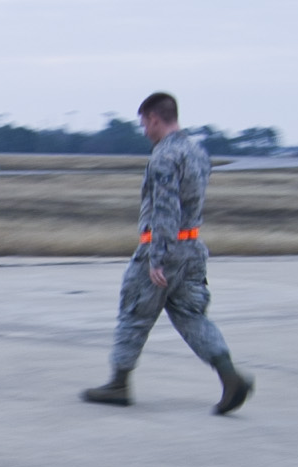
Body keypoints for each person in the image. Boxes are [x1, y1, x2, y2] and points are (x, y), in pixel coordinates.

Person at [82, 90, 256, 415]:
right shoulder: (198, 153)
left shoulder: (164, 157)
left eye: (144, 124)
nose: (144, 131)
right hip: (192, 248)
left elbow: (165, 207)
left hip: (165, 246)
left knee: (134, 312)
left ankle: (118, 383)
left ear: (153, 118)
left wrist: (157, 256)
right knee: (191, 316)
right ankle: (230, 376)